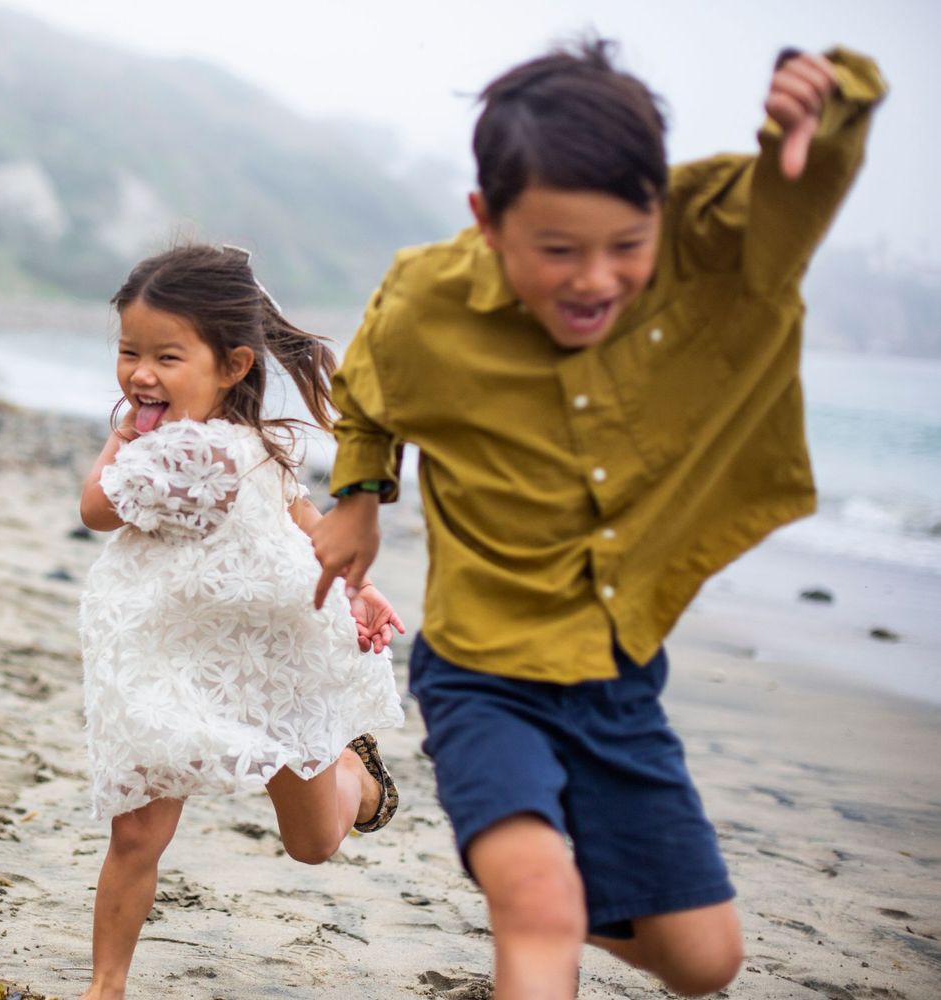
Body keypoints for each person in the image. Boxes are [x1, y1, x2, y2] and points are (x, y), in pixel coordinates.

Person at [309, 39, 886, 1000]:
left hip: (619, 680)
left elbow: (803, 183)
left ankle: (584, 902)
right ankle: (552, 906)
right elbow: (366, 391)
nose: (595, 280)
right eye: (559, 251)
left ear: (660, 206)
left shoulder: (711, 244)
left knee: (705, 964)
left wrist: (825, 111)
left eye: (626, 245)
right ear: (487, 221)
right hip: (482, 674)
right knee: (536, 911)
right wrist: (360, 499)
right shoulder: (429, 300)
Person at [77, 243, 407, 1000]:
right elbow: (97, 512)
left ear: (231, 365)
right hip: (165, 659)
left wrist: (358, 588)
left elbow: (305, 523)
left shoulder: (254, 447)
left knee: (314, 844)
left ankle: (353, 775)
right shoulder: (157, 445)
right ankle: (106, 987)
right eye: (129, 353)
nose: (140, 374)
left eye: (167, 356)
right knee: (136, 832)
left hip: (273, 656)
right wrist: (133, 431)